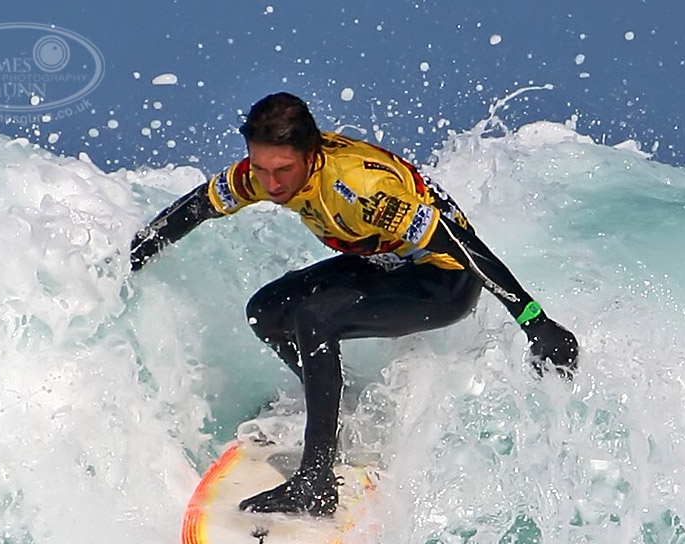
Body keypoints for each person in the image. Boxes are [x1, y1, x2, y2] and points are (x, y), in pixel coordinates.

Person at [130, 92, 578, 517]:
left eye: (283, 170)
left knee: (314, 316)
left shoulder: (360, 188)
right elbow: (198, 206)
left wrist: (534, 321)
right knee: (266, 312)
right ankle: (336, 415)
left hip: (444, 282)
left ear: (312, 154)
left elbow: (463, 244)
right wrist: (135, 254)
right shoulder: (262, 174)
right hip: (386, 263)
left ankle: (316, 481)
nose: (271, 182)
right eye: (261, 168)